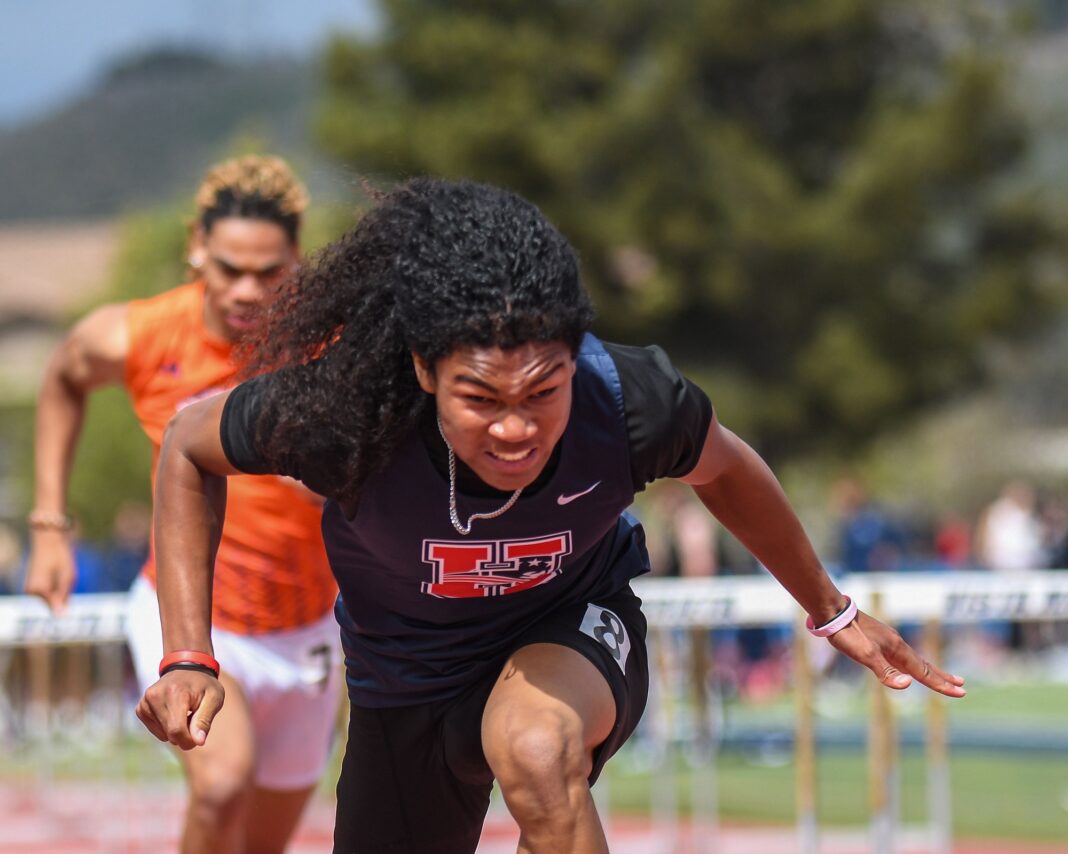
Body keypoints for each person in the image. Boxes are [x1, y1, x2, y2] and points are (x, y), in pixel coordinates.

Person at [136, 178, 966, 854]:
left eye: (543, 392)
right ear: (424, 370)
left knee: (535, 751)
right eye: (480, 398)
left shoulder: (628, 401)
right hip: (405, 676)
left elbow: (728, 471)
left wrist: (831, 608)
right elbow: (188, 447)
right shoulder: (343, 415)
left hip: (570, 627)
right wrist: (187, 654)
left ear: (575, 358)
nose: (515, 430)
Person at [25, 155, 342, 854]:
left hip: (306, 629)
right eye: (230, 268)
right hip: (193, 617)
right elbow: (63, 377)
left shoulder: (328, 346)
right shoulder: (142, 334)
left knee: (260, 843)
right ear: (197, 246)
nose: (248, 290)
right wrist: (49, 525)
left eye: (269, 272)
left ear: (297, 259)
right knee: (222, 787)